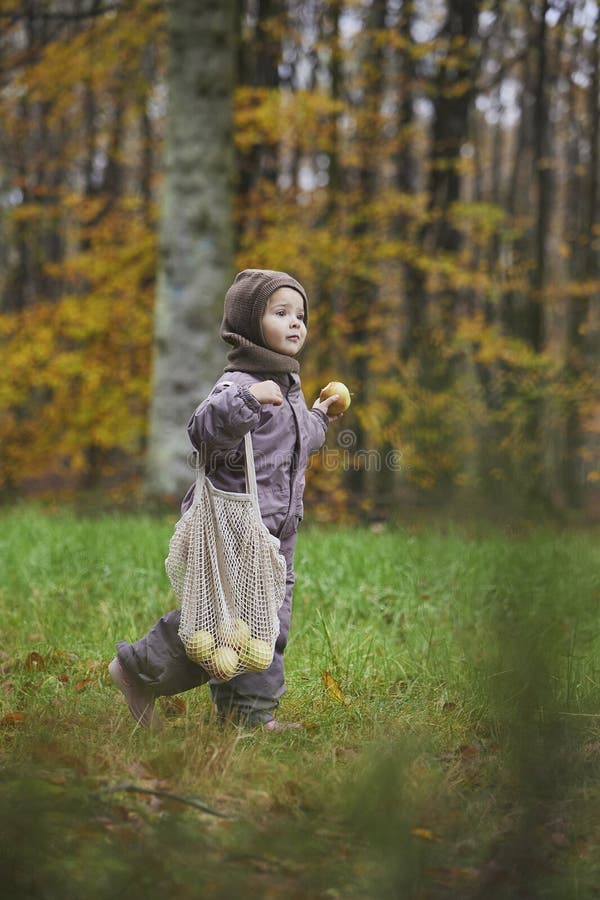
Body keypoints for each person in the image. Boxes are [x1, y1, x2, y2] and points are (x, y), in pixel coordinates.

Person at [108, 269, 340, 732]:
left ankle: (247, 716)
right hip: (234, 528)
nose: (296, 323)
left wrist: (319, 415)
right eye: (281, 313)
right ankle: (137, 670)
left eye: (301, 315)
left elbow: (297, 441)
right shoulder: (238, 382)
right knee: (218, 624)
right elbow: (204, 430)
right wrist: (248, 401)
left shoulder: (288, 384)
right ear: (250, 325)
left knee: (264, 628)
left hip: (275, 534)